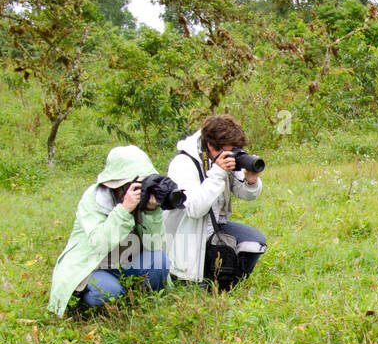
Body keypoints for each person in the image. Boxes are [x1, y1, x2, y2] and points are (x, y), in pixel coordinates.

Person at [47, 146, 170, 317]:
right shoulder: (94, 199)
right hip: (93, 266)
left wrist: (151, 211)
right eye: (134, 184)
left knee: (160, 260)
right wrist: (124, 210)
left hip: (125, 262)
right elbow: (99, 244)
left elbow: (156, 245)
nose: (139, 188)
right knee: (109, 291)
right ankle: (86, 302)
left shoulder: (141, 199)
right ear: (117, 184)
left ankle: (143, 303)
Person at [165, 114, 266, 289]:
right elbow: (194, 209)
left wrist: (251, 181)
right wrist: (218, 173)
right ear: (211, 146)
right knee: (198, 284)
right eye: (229, 150)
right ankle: (195, 280)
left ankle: (229, 283)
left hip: (213, 228)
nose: (233, 154)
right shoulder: (183, 164)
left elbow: (246, 194)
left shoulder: (222, 158)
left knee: (254, 240)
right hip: (186, 236)